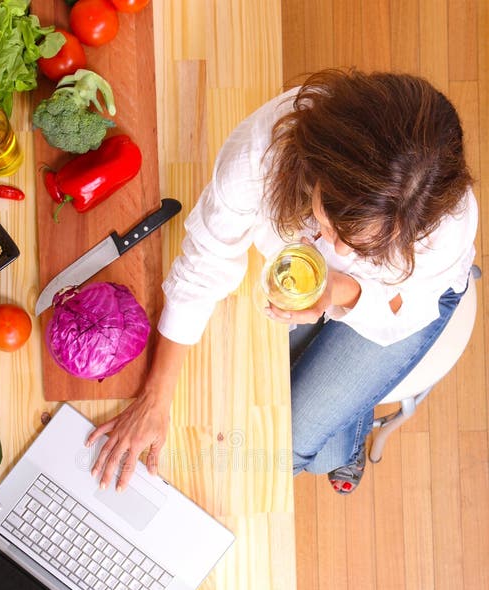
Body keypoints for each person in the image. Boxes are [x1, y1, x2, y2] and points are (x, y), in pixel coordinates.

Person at [88, 68, 477, 494]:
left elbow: (404, 310)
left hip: (402, 305)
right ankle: (345, 429)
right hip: (320, 286)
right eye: (331, 225)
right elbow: (207, 261)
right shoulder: (262, 152)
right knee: (275, 394)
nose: (339, 252)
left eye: (363, 247)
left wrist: (338, 289)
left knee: (288, 449)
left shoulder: (444, 229)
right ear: (319, 169)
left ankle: (348, 436)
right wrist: (155, 396)